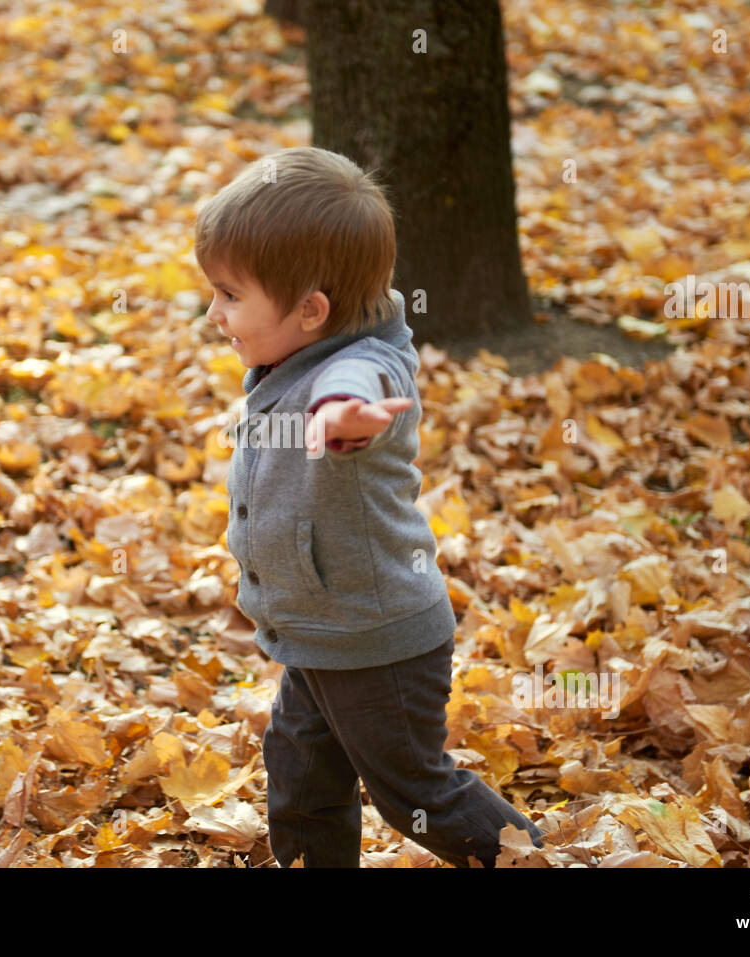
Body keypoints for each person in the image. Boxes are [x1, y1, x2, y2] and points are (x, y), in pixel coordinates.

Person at [195, 146, 545, 867]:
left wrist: (343, 416)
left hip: (377, 640)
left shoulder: (362, 366)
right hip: (322, 633)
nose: (212, 312)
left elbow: (352, 382)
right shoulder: (296, 350)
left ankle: (540, 860)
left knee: (417, 793)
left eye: (230, 295)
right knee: (301, 780)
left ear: (311, 309)